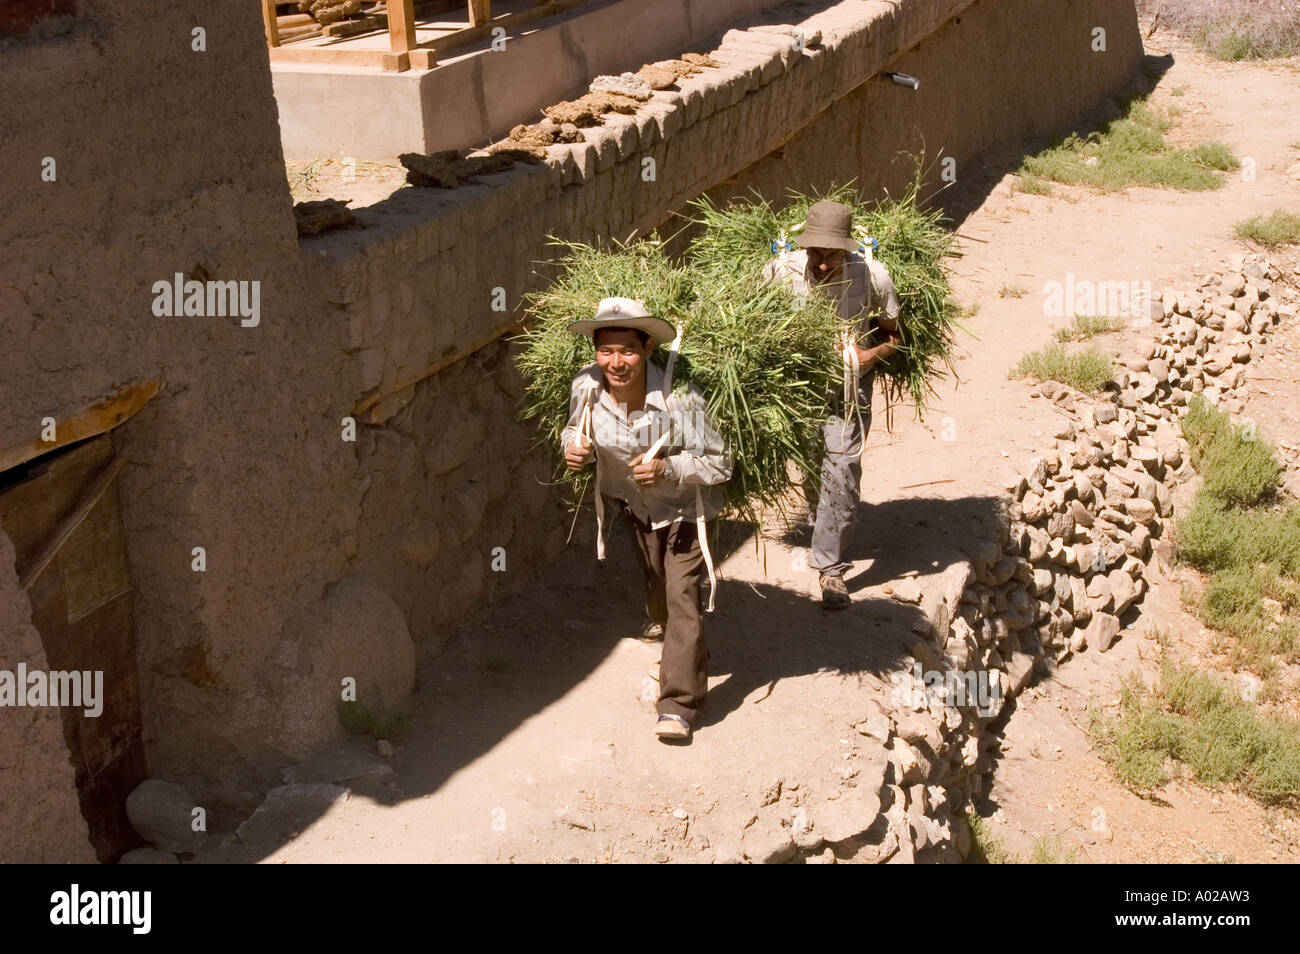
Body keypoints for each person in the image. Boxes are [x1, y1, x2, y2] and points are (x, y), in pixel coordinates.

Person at [561, 297, 732, 741]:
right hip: (634, 509)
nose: (616, 362)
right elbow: (573, 429)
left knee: (682, 597)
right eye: (606, 351)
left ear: (649, 349)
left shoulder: (680, 398)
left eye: (628, 351)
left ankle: (678, 704)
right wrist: (573, 448)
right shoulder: (586, 388)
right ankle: (688, 653)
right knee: (659, 594)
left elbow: (721, 462)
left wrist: (669, 468)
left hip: (685, 511)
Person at [761, 200, 903, 610]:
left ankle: (831, 570)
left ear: (848, 249)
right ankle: (820, 519)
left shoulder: (872, 276)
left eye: (832, 255)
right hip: (796, 390)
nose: (822, 264)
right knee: (810, 467)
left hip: (847, 392)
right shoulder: (778, 273)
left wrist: (867, 356)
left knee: (842, 471)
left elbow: (895, 337)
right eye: (815, 253)